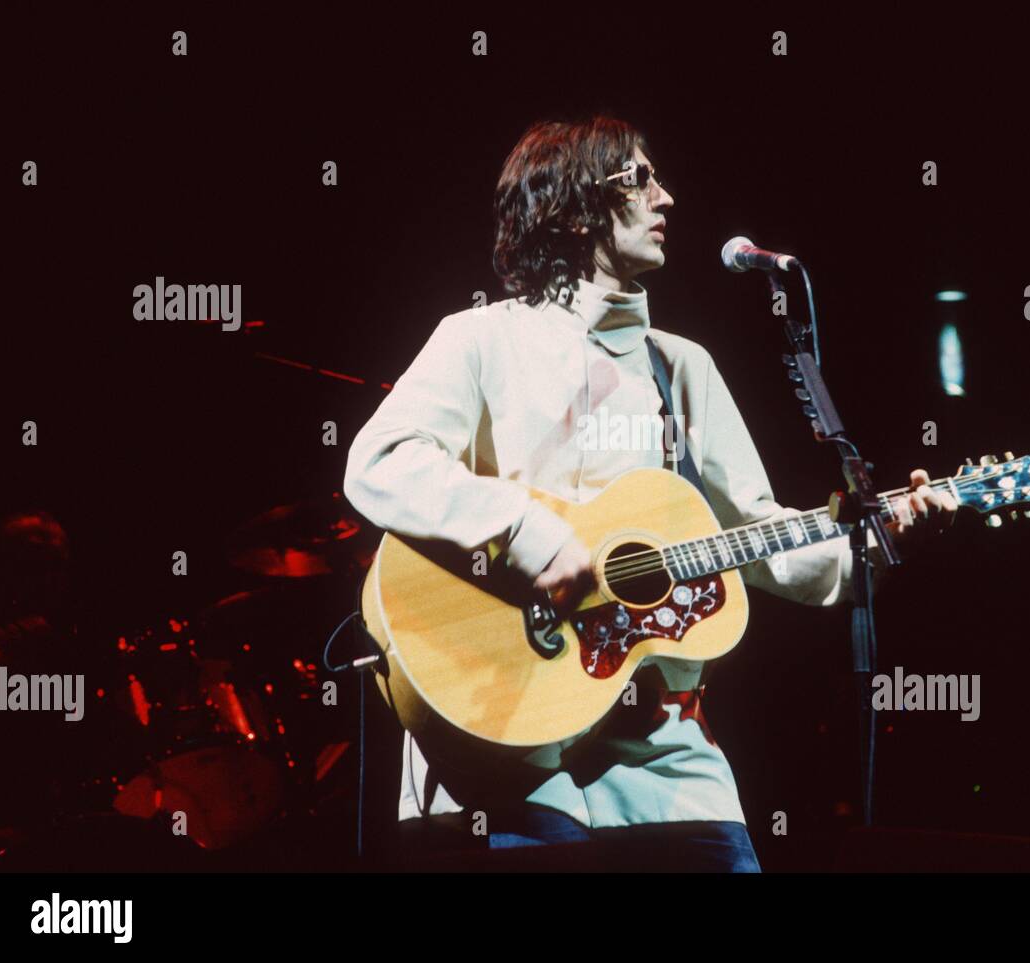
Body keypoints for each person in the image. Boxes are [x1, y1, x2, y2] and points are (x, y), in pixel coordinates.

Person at [343, 116, 957, 871]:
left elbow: (762, 536)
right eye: (639, 179)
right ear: (571, 207)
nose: (666, 198)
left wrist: (879, 533)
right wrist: (528, 534)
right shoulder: (480, 339)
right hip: (497, 739)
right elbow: (381, 458)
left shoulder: (680, 367)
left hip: (664, 763)